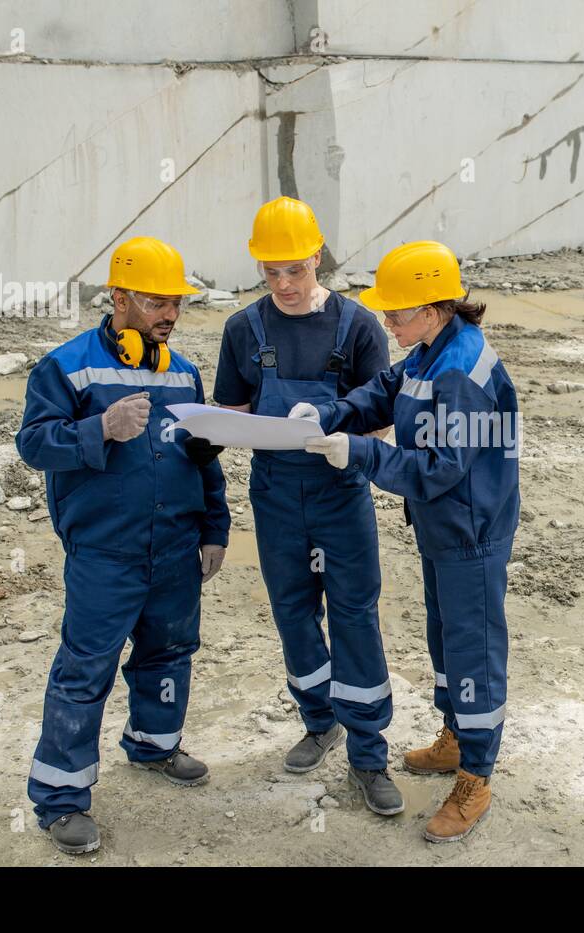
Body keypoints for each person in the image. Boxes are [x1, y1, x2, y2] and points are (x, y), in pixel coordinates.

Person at [298, 240, 520, 843]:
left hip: (470, 531)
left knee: (472, 650)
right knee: (445, 636)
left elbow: (442, 469)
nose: (386, 322)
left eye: (396, 312)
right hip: (441, 527)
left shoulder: (462, 370)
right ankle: (456, 737)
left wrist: (361, 452)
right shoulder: (427, 351)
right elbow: (384, 390)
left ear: (433, 307)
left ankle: (476, 775)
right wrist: (329, 415)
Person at [16, 236, 230, 854]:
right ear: (119, 298)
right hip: (105, 553)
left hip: (175, 549)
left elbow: (201, 457)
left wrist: (215, 526)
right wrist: (99, 428)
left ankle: (155, 746)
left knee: (168, 653)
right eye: (157, 301)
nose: (169, 314)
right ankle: (60, 799)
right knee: (85, 670)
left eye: (176, 304)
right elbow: (33, 444)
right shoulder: (68, 366)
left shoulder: (183, 372)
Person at [213, 197, 402, 815]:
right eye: (271, 272)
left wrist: (343, 436)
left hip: (338, 494)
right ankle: (320, 721)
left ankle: (369, 754)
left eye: (295, 269)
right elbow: (233, 415)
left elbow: (382, 417)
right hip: (274, 494)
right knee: (294, 611)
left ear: (317, 256)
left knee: (353, 615)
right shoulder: (244, 330)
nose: (285, 284)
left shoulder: (359, 327)